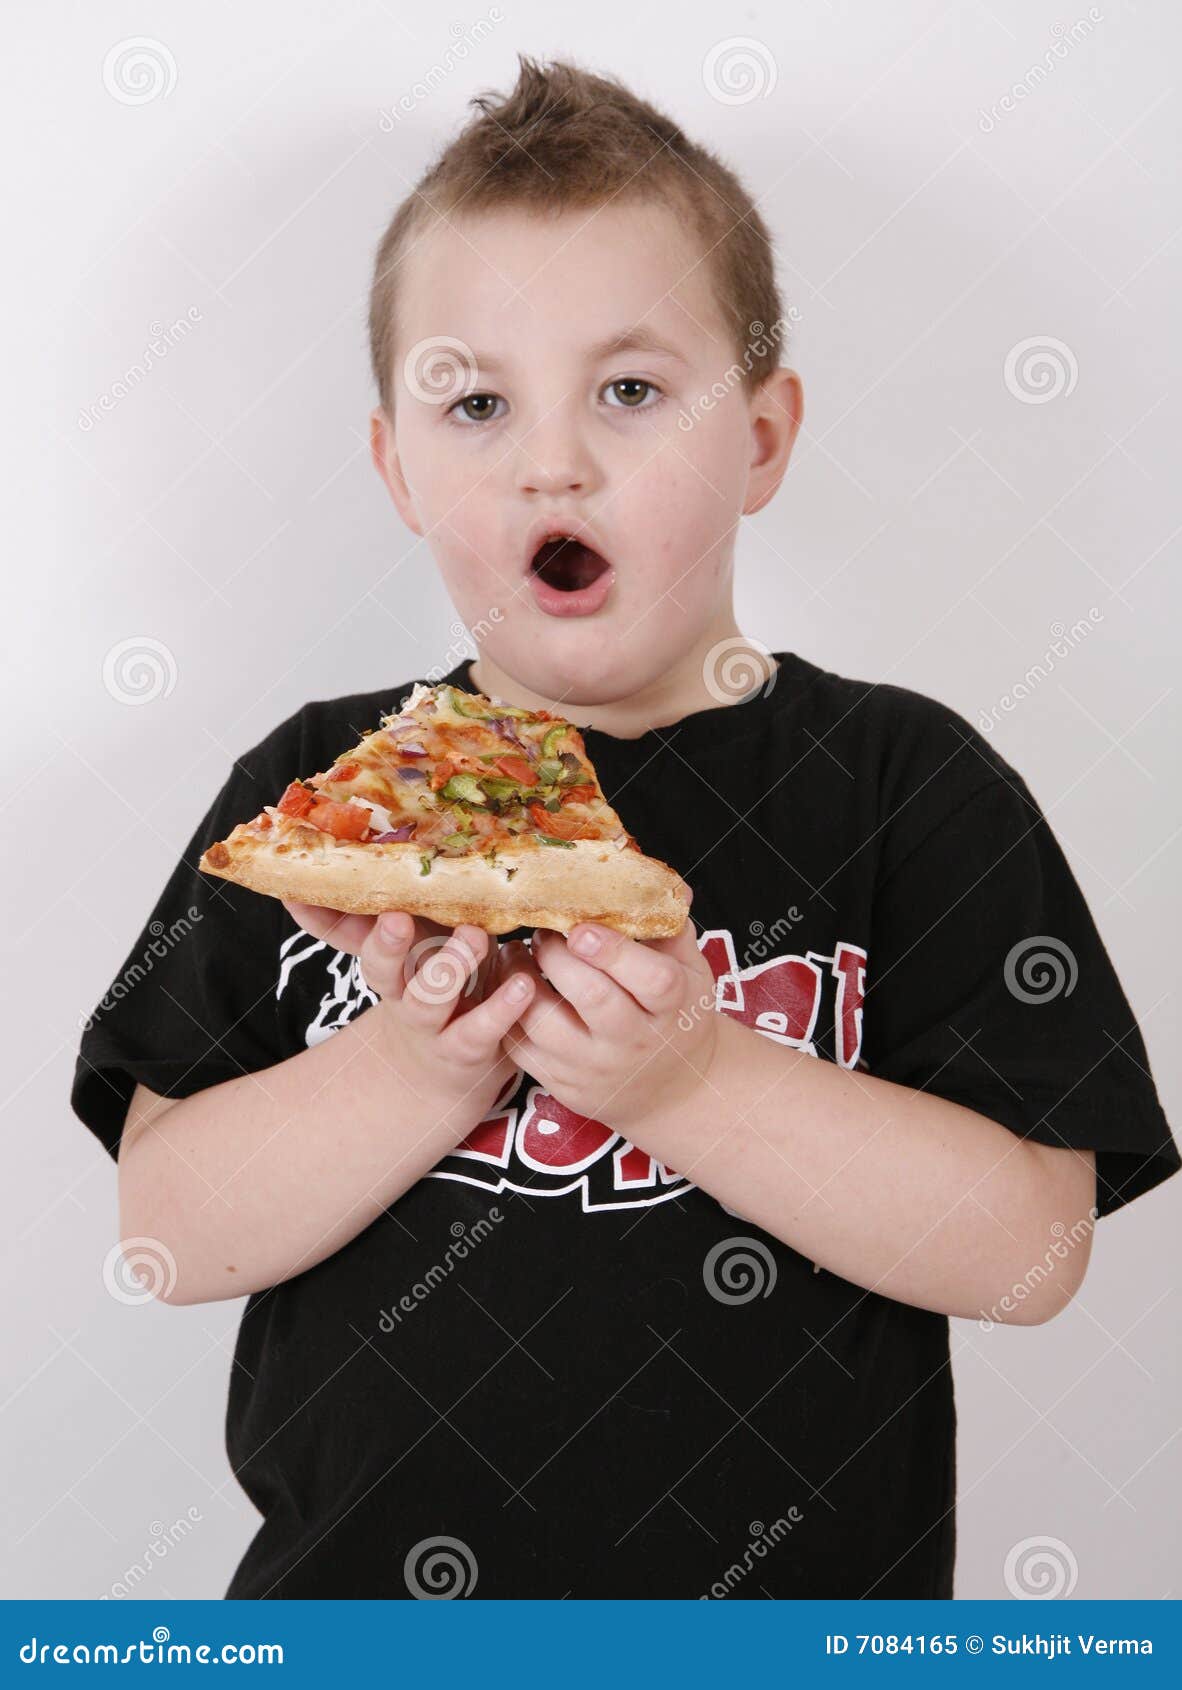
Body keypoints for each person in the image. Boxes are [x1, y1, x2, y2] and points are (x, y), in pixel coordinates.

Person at [71, 55, 1178, 1600]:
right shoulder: (329, 780)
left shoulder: (906, 780)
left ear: (764, 438)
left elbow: (1031, 1253)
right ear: (395, 465)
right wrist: (410, 1060)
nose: (552, 459)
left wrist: (695, 1075)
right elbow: (166, 1233)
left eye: (631, 389)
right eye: (475, 401)